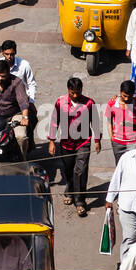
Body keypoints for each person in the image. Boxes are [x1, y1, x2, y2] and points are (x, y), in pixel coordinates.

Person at [49, 77, 101, 216]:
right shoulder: (60, 102)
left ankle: (80, 201)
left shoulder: (89, 103)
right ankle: (70, 191)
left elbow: (95, 121)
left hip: (83, 143)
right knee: (68, 170)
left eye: (78, 92)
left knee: (81, 171)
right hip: (66, 143)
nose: (76, 96)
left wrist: (97, 140)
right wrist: (52, 141)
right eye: (73, 93)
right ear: (68, 90)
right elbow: (55, 121)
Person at [106, 79, 136, 162]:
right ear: (120, 92)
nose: (126, 99)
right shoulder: (112, 103)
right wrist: (111, 136)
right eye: (124, 96)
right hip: (117, 142)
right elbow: (109, 121)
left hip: (134, 142)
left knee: (134, 166)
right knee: (120, 166)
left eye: (129, 96)